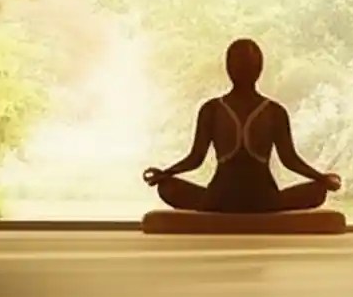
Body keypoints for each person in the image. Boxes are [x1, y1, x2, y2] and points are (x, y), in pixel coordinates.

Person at [143, 38, 342, 213]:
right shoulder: (275, 111)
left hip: (219, 200)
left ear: (228, 68)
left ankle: (203, 199)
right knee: (317, 191)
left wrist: (165, 174)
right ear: (260, 70)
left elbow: (195, 159)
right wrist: (322, 178)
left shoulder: (211, 109)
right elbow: (290, 160)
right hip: (265, 201)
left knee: (167, 187)